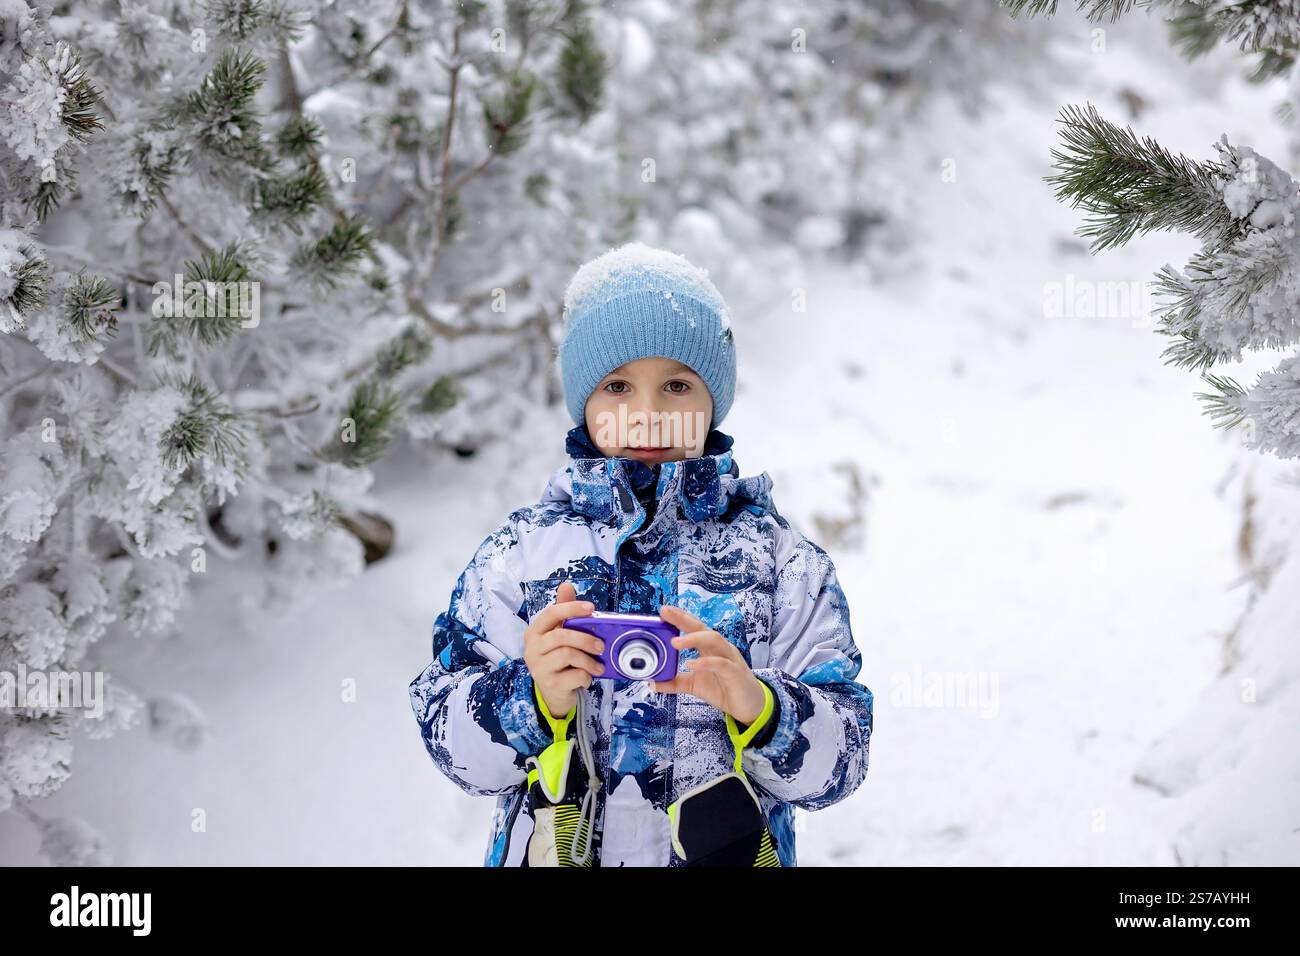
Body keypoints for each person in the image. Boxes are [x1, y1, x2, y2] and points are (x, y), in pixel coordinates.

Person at [408, 242, 873, 866]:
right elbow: (451, 742)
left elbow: (841, 760)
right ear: (585, 405)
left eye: (677, 385)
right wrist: (532, 696)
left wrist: (762, 707)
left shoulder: (780, 565)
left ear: (714, 402)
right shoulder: (520, 560)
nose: (648, 414)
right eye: (618, 386)